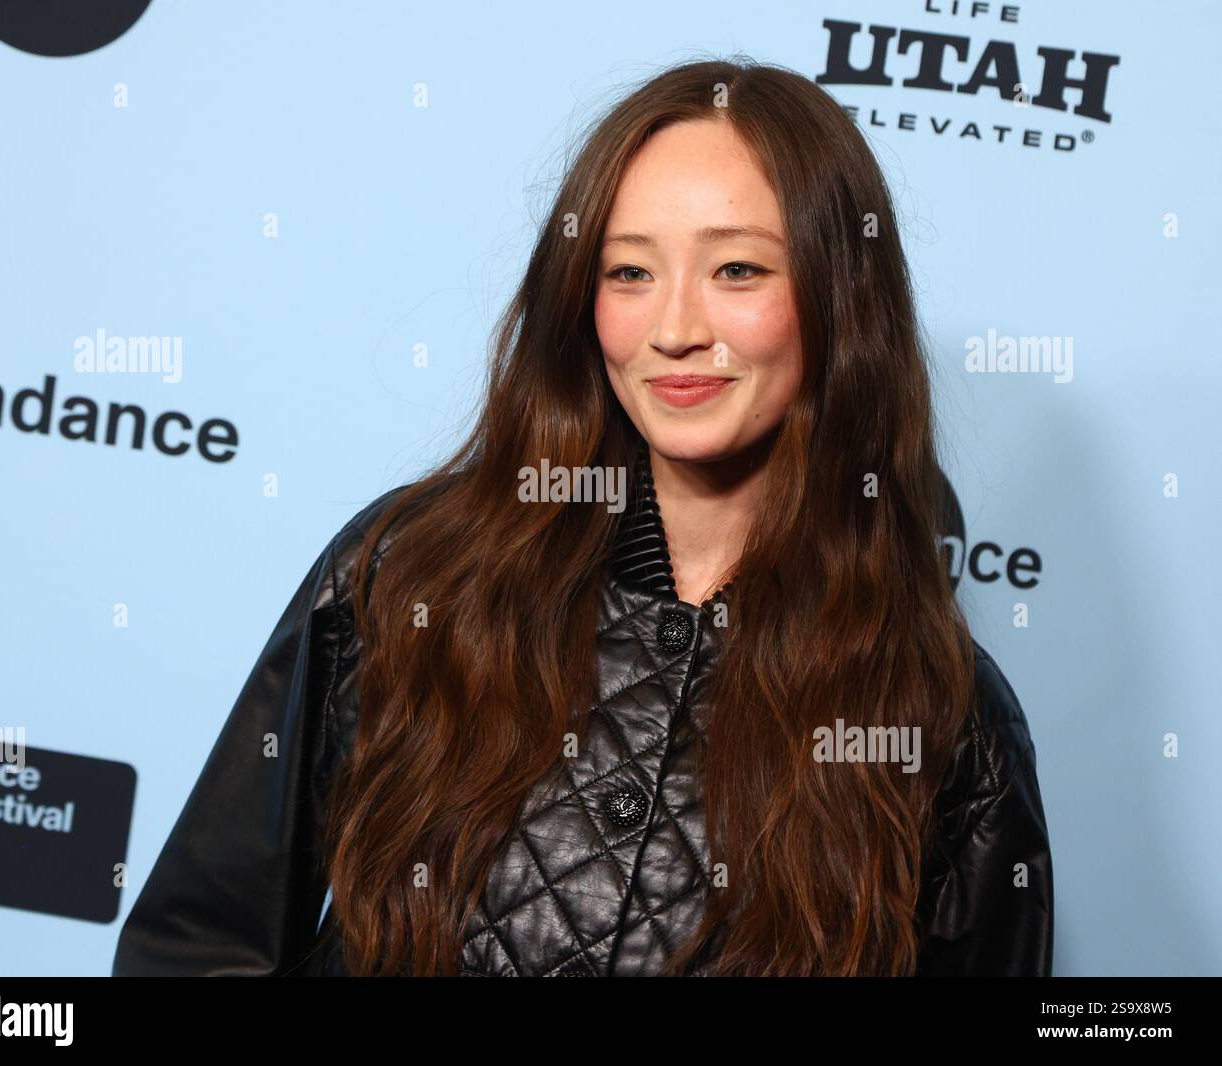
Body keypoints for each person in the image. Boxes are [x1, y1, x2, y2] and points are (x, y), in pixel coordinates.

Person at [112, 57, 1053, 977]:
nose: (675, 327)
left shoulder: (942, 715)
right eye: (630, 273)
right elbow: (199, 943)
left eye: (736, 268)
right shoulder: (411, 576)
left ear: (841, 299)